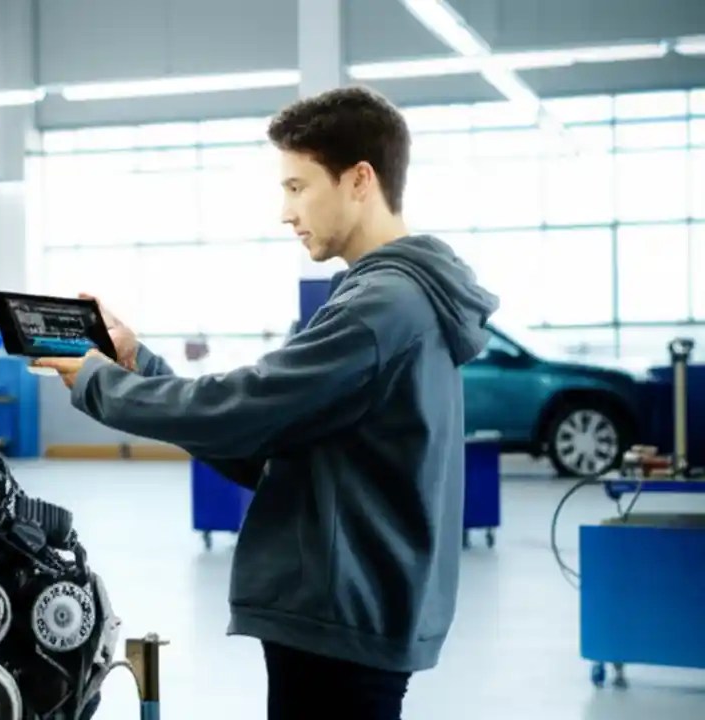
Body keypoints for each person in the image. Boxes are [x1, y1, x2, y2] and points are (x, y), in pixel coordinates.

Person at [33, 85, 500, 719]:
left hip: (343, 615)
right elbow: (266, 437)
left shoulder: (380, 308)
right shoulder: (392, 300)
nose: (285, 211)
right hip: (354, 609)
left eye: (297, 187)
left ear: (360, 180)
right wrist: (136, 363)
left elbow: (241, 408)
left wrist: (96, 379)